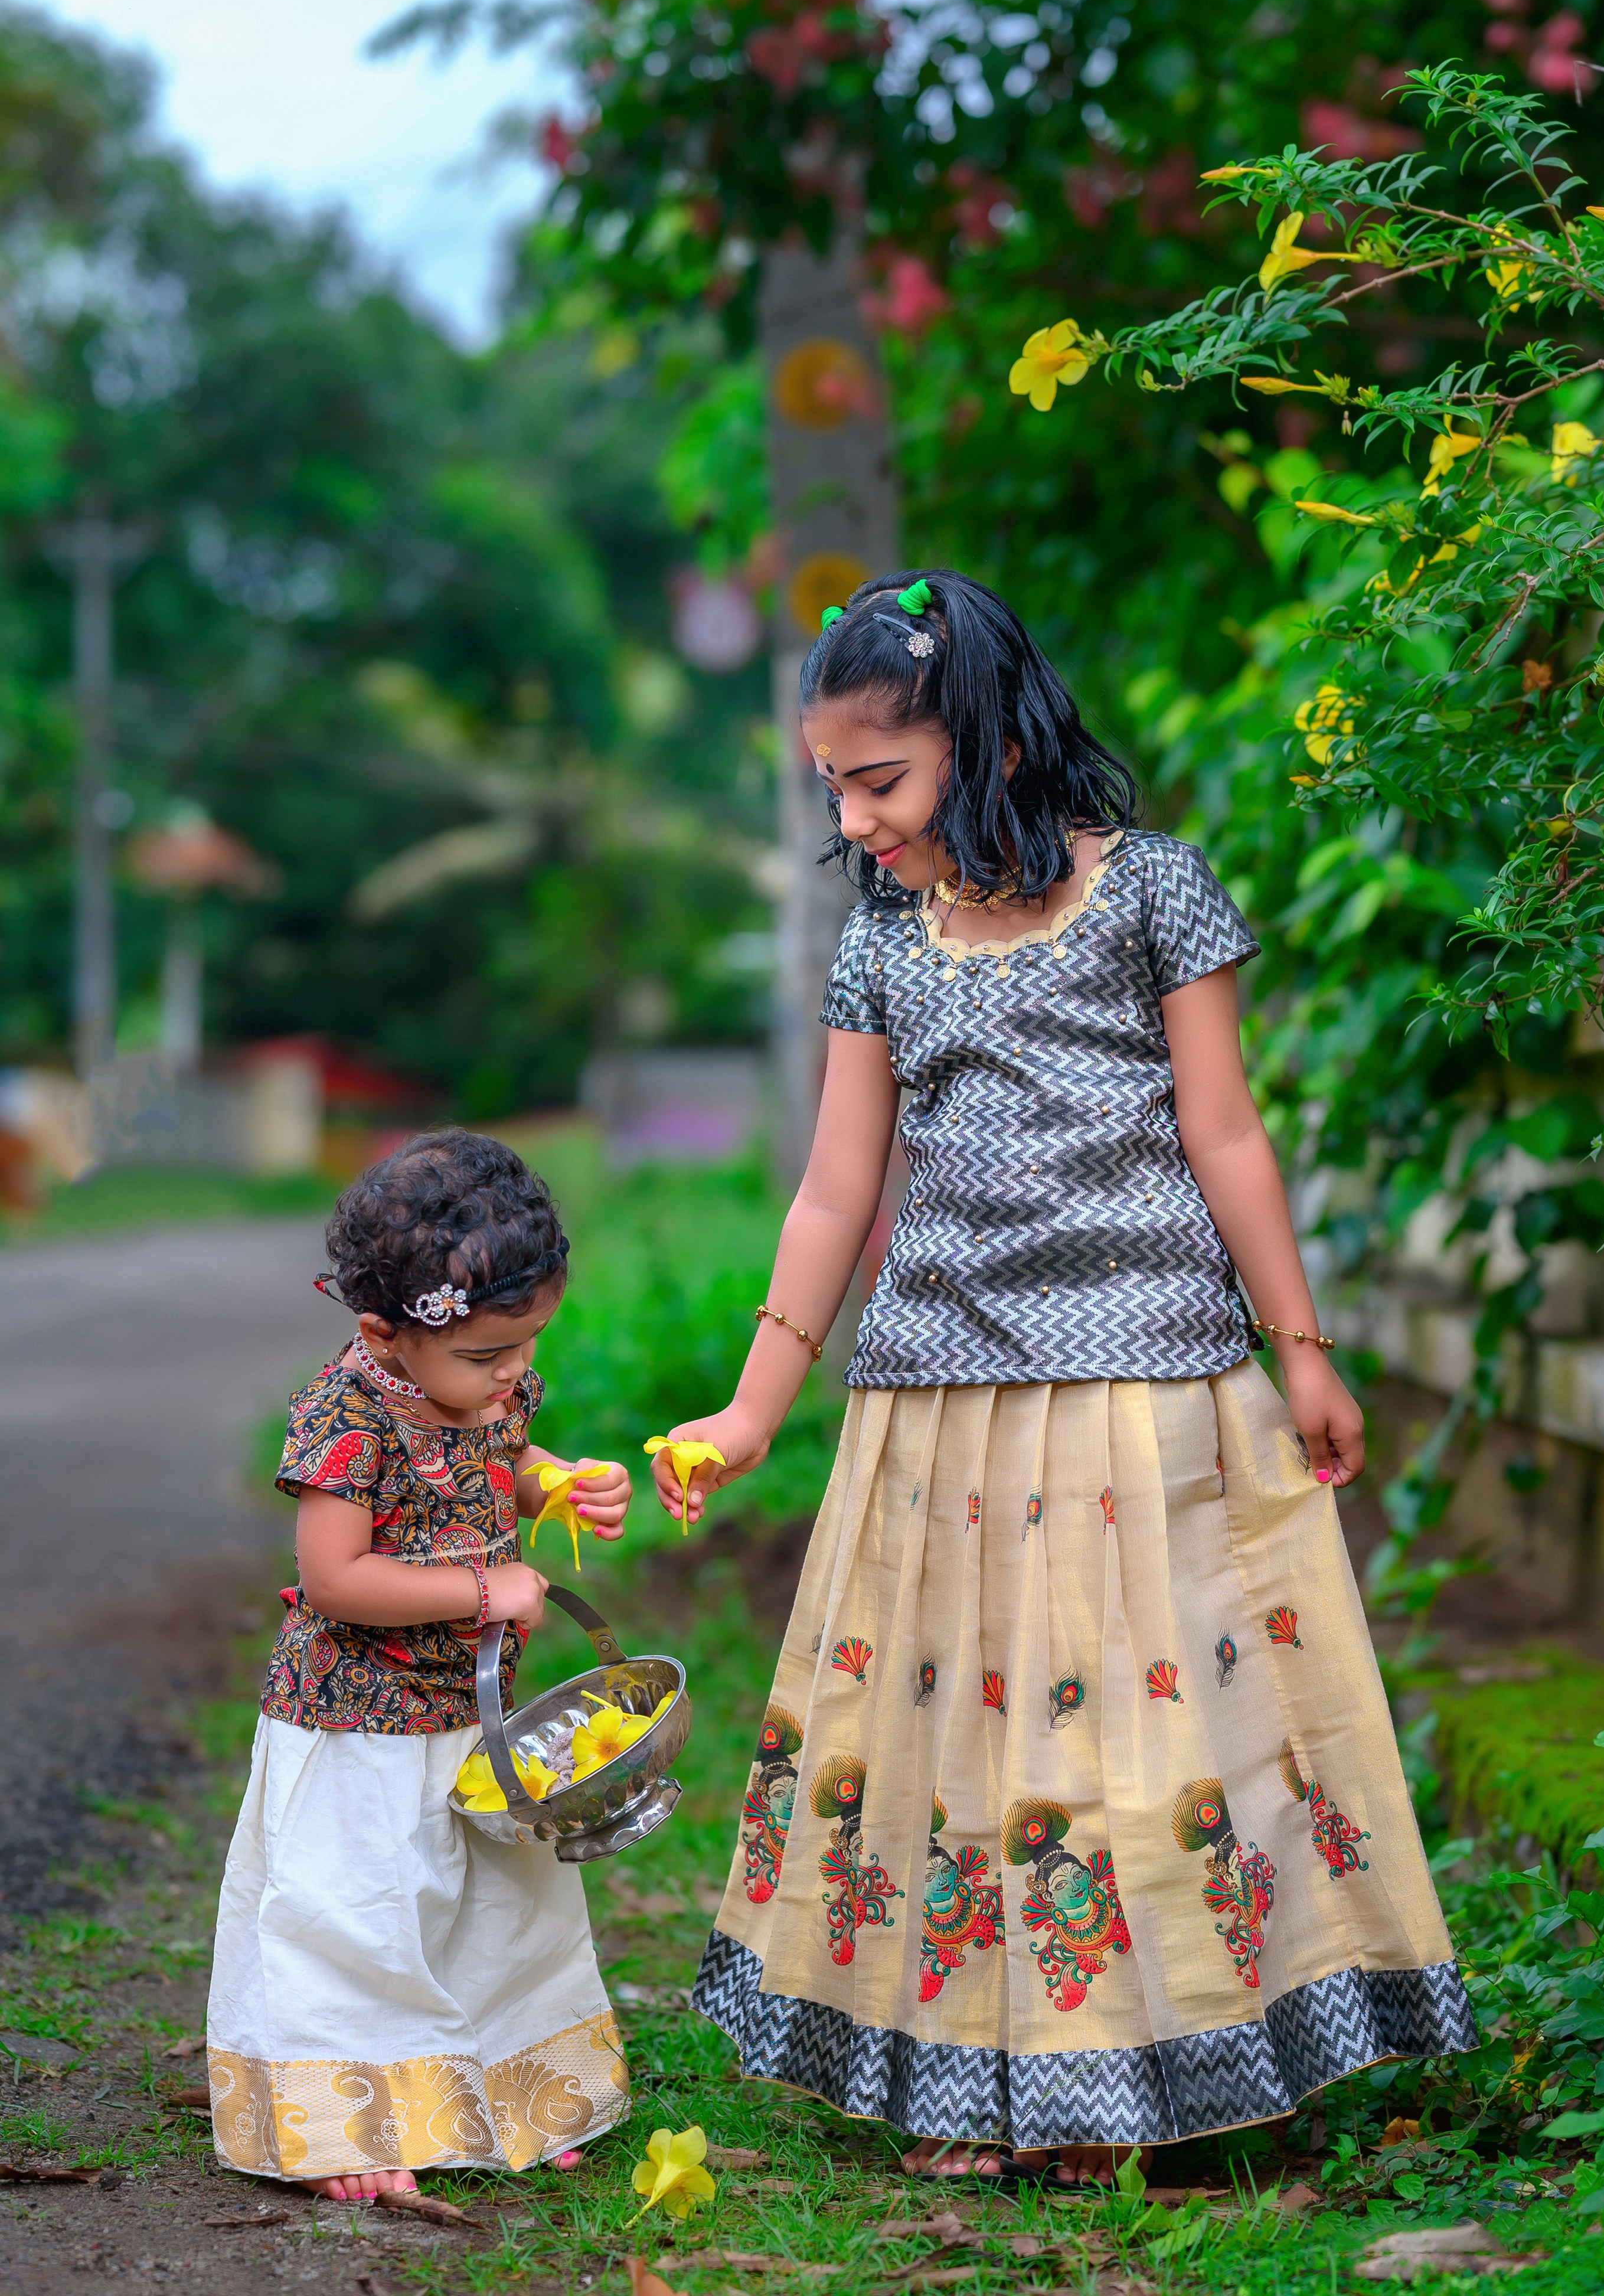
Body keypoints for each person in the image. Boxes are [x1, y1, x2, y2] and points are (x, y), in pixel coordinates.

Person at [651, 571, 1475, 2189]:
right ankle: (967, 2083)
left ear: (987, 741)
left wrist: (1300, 1351)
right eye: (832, 784)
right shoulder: (885, 943)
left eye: (877, 778)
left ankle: (1178, 2081)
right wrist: (754, 1408)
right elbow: (836, 1193)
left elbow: (1227, 1135)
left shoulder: (1158, 890)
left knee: (1172, 1740)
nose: (855, 816)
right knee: (967, 1752)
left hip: (1156, 1384)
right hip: (938, 1406)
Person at [207, 1130, 633, 2202]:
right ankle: (347, 2119)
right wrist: (486, 1591)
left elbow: (504, 1466)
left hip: (465, 1707)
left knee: (501, 1901)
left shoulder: (485, 1392)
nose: (513, 1377)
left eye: (527, 1348)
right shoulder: (348, 1421)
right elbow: (338, 1576)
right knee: (364, 1911)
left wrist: (558, 1484)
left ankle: (504, 2092)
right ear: (384, 1336)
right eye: (489, 1358)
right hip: (354, 1720)